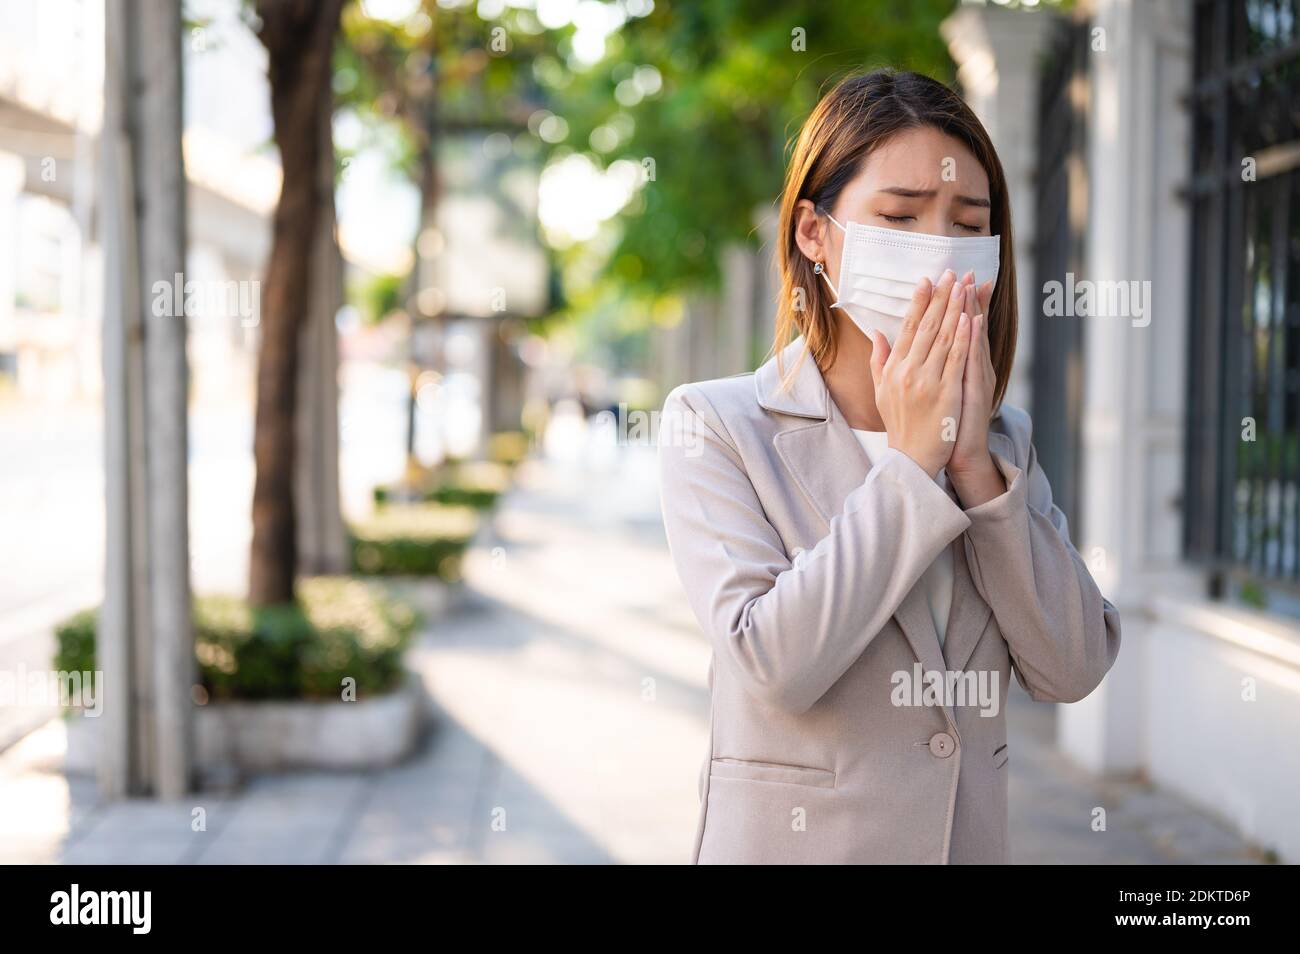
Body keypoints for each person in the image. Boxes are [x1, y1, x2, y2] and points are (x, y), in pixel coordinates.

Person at [658, 69, 1121, 865]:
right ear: (814, 232)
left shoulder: (1003, 443)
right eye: (900, 216)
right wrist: (911, 463)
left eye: (966, 223)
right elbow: (772, 665)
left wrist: (973, 468)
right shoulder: (718, 424)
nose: (938, 252)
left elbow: (1071, 667)